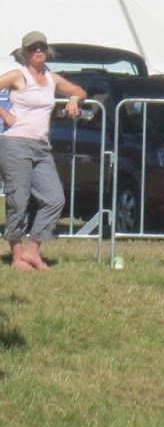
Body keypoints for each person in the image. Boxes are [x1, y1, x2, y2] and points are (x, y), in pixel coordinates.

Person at [0, 31, 87, 270]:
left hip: (41, 147)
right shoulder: (19, 75)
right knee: (18, 200)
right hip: (15, 143)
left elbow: (79, 90)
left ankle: (32, 251)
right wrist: (6, 114)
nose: (38, 51)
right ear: (24, 53)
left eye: (42, 47)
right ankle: (17, 256)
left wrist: (73, 100)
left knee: (55, 198)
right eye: (32, 48)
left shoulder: (52, 78)